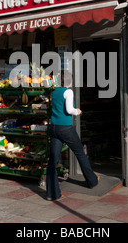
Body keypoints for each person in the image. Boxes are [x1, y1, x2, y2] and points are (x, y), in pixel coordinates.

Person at [46, 70, 99, 201]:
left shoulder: (54, 92)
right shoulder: (68, 91)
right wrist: (77, 111)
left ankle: (52, 194)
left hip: (54, 128)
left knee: (53, 160)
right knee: (80, 153)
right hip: (66, 128)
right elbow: (69, 110)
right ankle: (92, 181)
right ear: (70, 80)